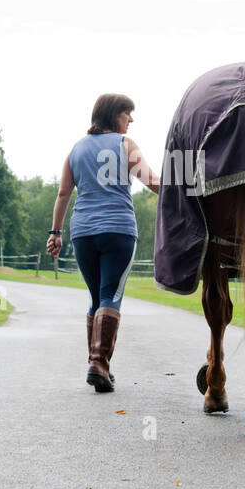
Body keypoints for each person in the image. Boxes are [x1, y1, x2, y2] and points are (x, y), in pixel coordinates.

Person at [47, 94, 159, 392]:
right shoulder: (125, 145)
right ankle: (99, 364)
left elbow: (63, 194)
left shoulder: (76, 149)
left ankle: (97, 365)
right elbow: (153, 181)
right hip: (119, 230)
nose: (131, 120)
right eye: (127, 113)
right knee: (111, 294)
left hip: (83, 233)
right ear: (113, 115)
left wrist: (55, 233)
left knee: (96, 296)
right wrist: (187, 191)